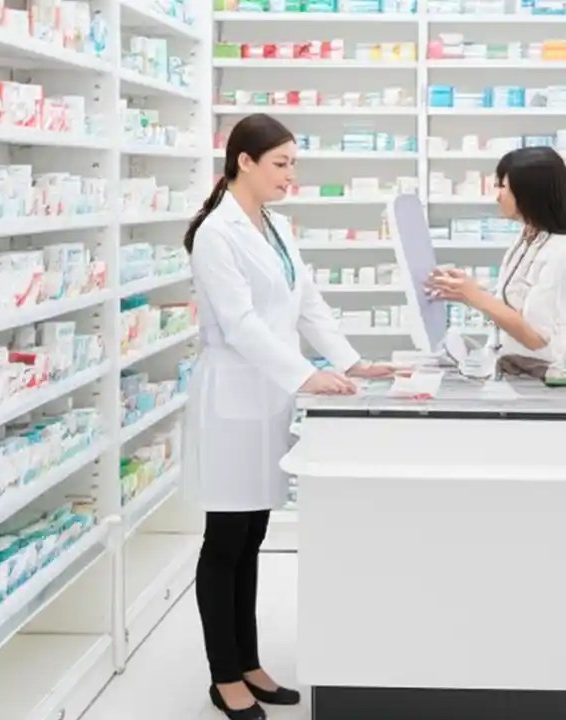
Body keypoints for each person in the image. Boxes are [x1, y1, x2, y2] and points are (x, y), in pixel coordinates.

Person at [182, 113, 397, 720]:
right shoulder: (215, 234)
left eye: (293, 163)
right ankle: (223, 675)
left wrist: (352, 362)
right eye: (281, 163)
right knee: (224, 538)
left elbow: (308, 302)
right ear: (244, 162)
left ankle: (249, 663)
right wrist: (305, 375)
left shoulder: (275, 225)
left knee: (253, 534)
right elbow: (241, 323)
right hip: (231, 396)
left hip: (266, 396)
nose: (290, 175)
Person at [426, 146, 566, 378]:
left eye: (502, 186)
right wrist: (465, 291)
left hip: (544, 380)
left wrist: (476, 297)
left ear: (528, 193)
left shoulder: (559, 251)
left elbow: (536, 337)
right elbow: (513, 304)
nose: (497, 195)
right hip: (514, 372)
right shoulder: (526, 239)